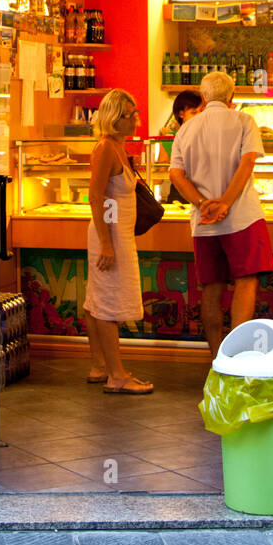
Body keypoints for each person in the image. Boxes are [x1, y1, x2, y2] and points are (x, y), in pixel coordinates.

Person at [169, 70, 273, 358]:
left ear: (202, 97)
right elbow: (247, 164)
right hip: (243, 217)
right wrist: (226, 202)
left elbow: (176, 175)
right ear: (232, 97)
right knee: (246, 282)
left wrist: (203, 204)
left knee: (211, 289)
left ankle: (217, 359)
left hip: (204, 224)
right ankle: (238, 360)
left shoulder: (186, 129)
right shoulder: (244, 121)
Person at [82, 89, 153, 395]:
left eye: (135, 113)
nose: (136, 119)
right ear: (114, 118)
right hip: (109, 235)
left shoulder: (119, 148)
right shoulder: (106, 149)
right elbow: (96, 197)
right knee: (108, 305)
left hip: (116, 232)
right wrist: (106, 243)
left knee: (96, 300)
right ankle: (117, 375)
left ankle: (100, 365)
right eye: (129, 114)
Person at [158, 90, 203, 204]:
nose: (199, 116)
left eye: (201, 111)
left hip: (206, 194)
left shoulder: (208, 136)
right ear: (181, 114)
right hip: (179, 197)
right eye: (193, 112)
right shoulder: (169, 139)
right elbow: (158, 178)